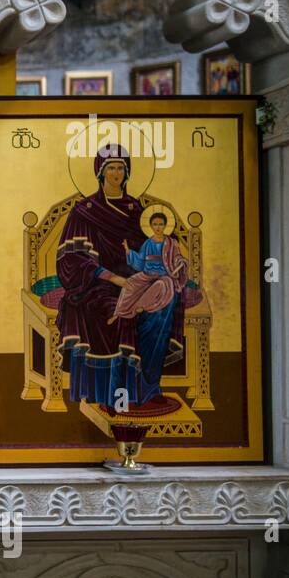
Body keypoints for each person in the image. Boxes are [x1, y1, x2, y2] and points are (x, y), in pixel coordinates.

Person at [55, 145, 185, 411]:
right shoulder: (85, 211)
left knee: (167, 299)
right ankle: (113, 393)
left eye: (121, 168)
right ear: (100, 173)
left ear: (127, 173)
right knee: (111, 311)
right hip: (97, 283)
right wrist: (114, 279)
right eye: (110, 168)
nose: (116, 173)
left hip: (139, 277)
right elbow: (72, 259)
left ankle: (147, 387)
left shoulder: (137, 210)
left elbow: (154, 247)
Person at [109, 210, 191, 325]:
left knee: (160, 285)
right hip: (147, 274)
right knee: (129, 283)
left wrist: (180, 261)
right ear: (151, 226)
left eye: (161, 224)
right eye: (155, 224)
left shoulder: (171, 243)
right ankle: (119, 313)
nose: (158, 227)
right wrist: (128, 251)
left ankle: (140, 306)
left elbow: (177, 257)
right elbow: (140, 261)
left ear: (165, 225)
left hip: (164, 276)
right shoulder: (148, 243)